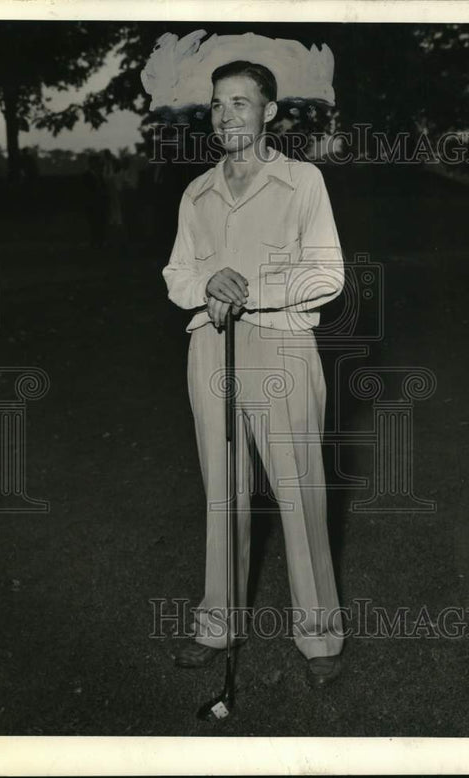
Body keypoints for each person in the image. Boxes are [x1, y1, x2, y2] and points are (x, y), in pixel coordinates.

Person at [162, 60, 345, 688]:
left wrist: (253, 290)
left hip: (284, 349)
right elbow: (176, 276)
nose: (226, 115)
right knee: (223, 492)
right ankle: (218, 626)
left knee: (299, 492)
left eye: (241, 102)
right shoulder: (197, 193)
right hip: (211, 349)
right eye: (217, 105)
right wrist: (207, 282)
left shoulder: (302, 182)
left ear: (269, 111)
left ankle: (319, 639)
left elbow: (328, 273)